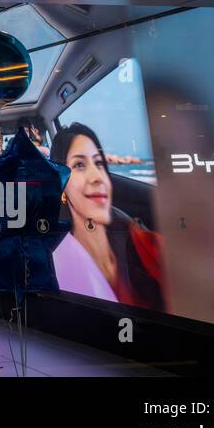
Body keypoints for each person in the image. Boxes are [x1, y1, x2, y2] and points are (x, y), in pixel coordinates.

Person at [50, 122, 165, 311]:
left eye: (99, 163)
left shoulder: (139, 240)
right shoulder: (58, 265)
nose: (97, 176)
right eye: (79, 165)